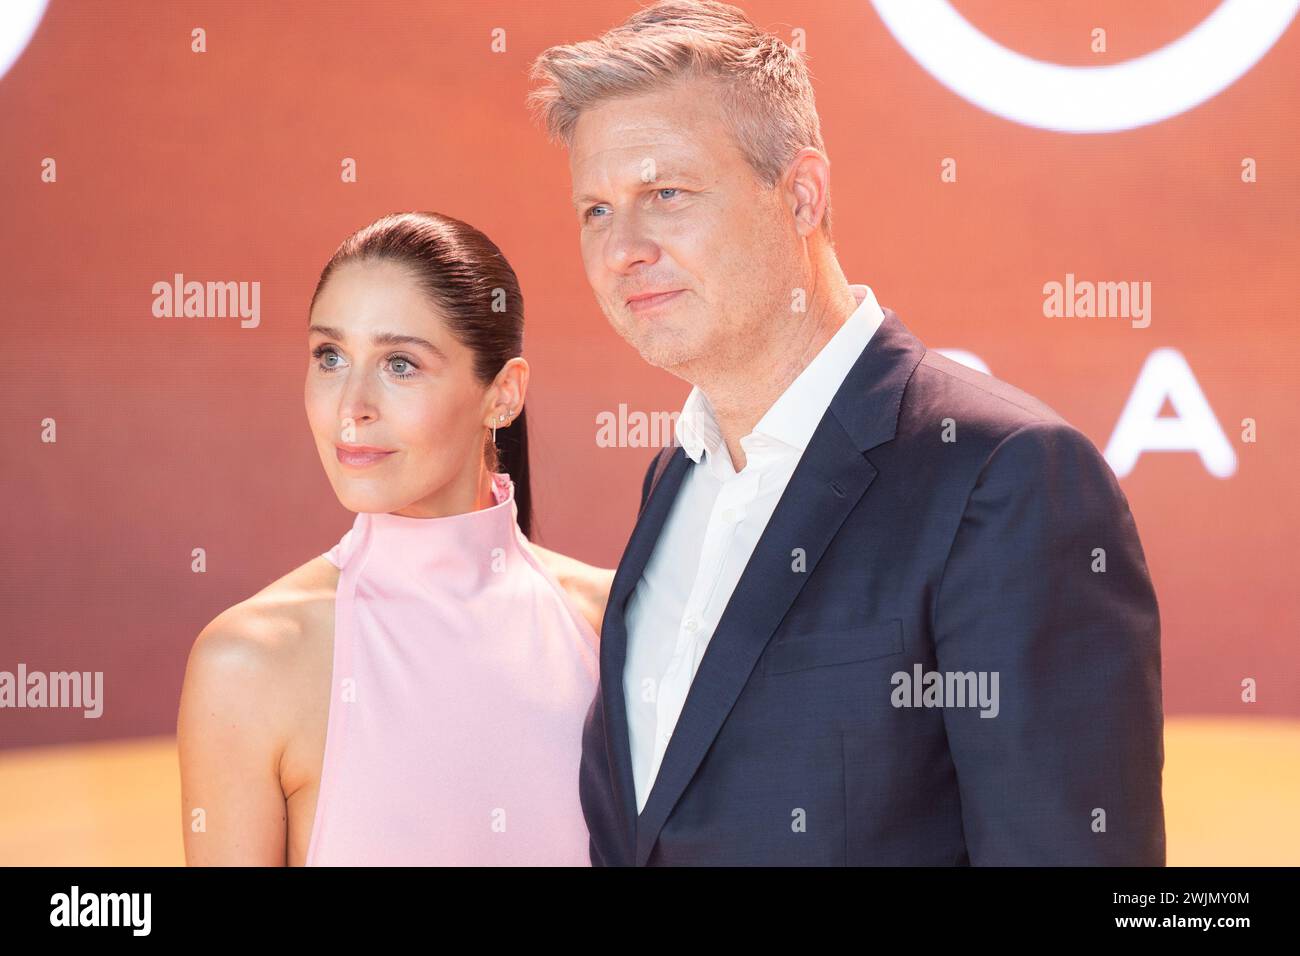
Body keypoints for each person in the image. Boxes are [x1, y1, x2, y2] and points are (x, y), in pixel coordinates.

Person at [527, 0, 1165, 865]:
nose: (622, 249)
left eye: (665, 193)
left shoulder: (1003, 478)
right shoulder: (675, 481)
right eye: (595, 210)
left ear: (801, 194)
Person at [177, 211, 614, 865]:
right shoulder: (248, 664)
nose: (350, 405)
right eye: (330, 356)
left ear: (503, 395)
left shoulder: (614, 627)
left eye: (400, 364)